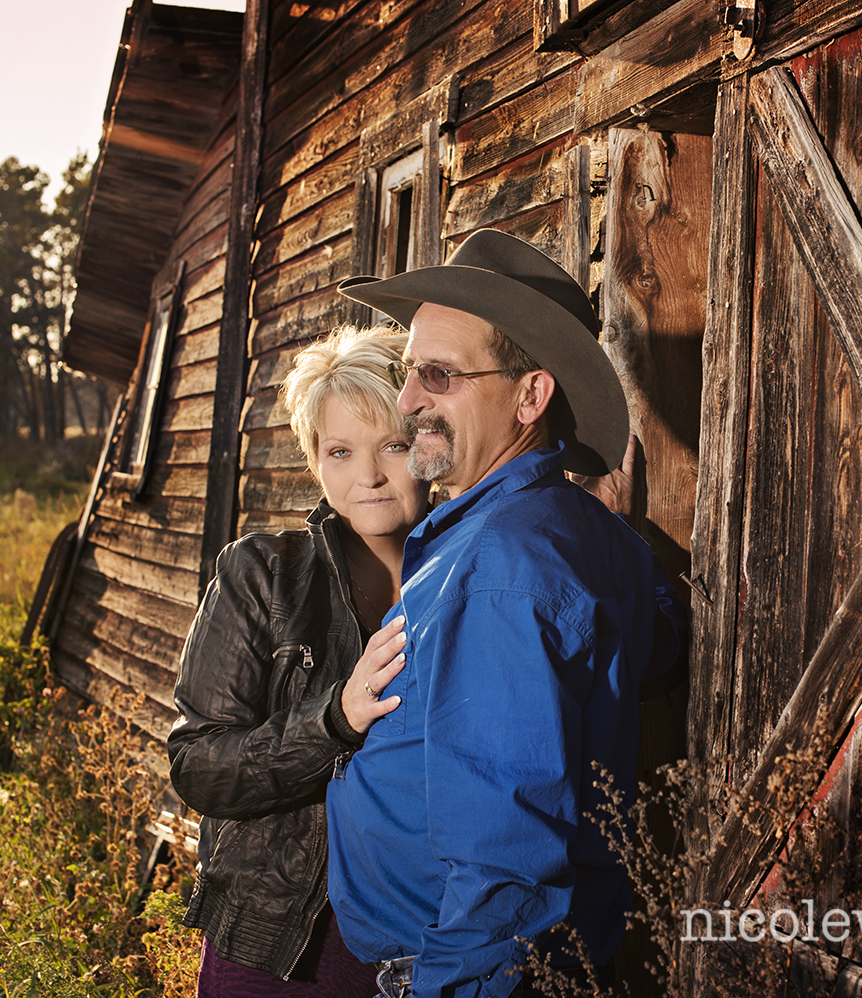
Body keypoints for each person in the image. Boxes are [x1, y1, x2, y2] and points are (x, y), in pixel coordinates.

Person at [327, 228, 688, 998]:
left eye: (439, 376)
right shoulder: (584, 533)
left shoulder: (501, 563)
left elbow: (504, 861)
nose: (407, 401)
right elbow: (660, 645)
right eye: (407, 371)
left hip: (454, 972)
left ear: (530, 397)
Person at [166, 325, 426, 996]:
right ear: (316, 459)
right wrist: (332, 719)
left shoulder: (467, 574)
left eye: (393, 445)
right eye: (340, 451)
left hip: (426, 938)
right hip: (285, 942)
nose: (368, 475)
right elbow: (198, 765)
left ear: (430, 443)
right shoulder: (263, 574)